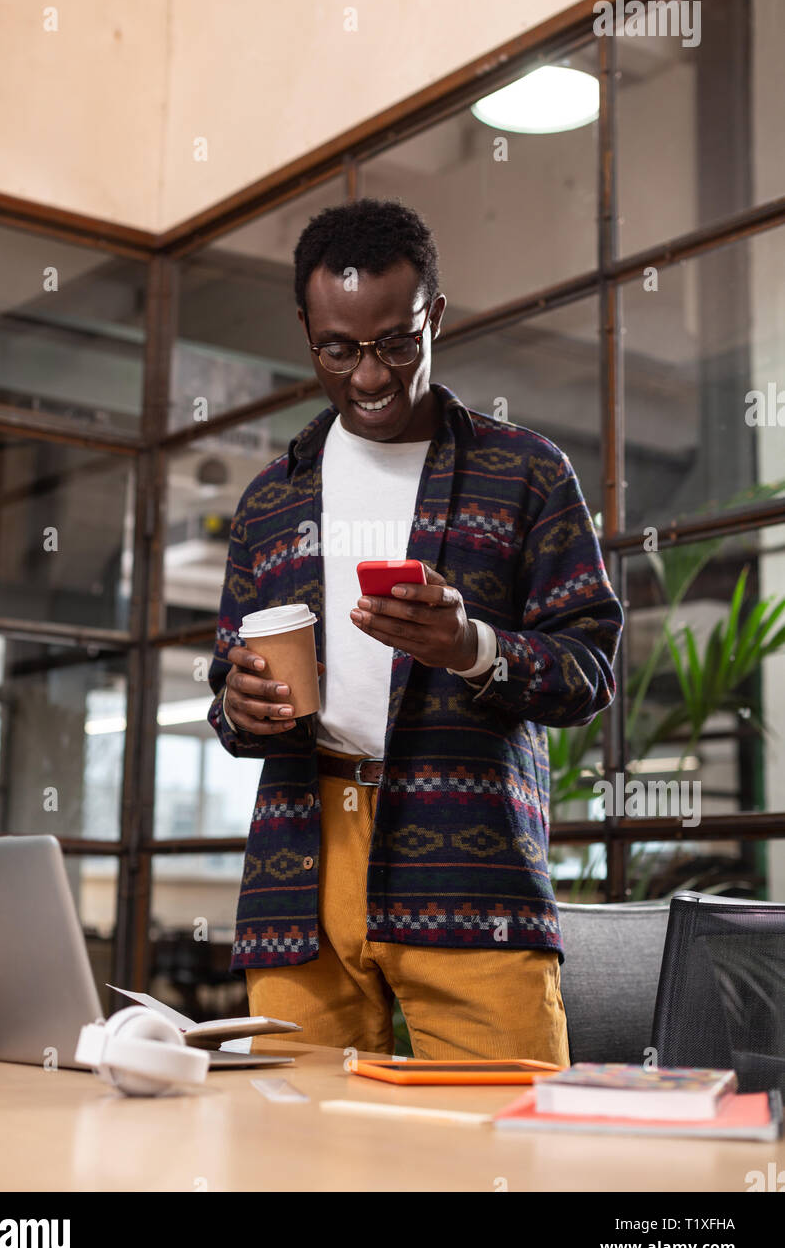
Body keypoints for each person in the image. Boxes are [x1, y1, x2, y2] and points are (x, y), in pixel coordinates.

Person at [207, 197, 623, 1061]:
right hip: (301, 873)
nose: (368, 376)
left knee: (503, 1144)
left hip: (468, 871)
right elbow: (227, 682)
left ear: (434, 314)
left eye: (396, 342)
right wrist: (237, 704)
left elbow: (589, 671)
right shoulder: (270, 500)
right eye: (338, 349)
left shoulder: (526, 473)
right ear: (306, 331)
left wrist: (470, 649)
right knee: (292, 1151)